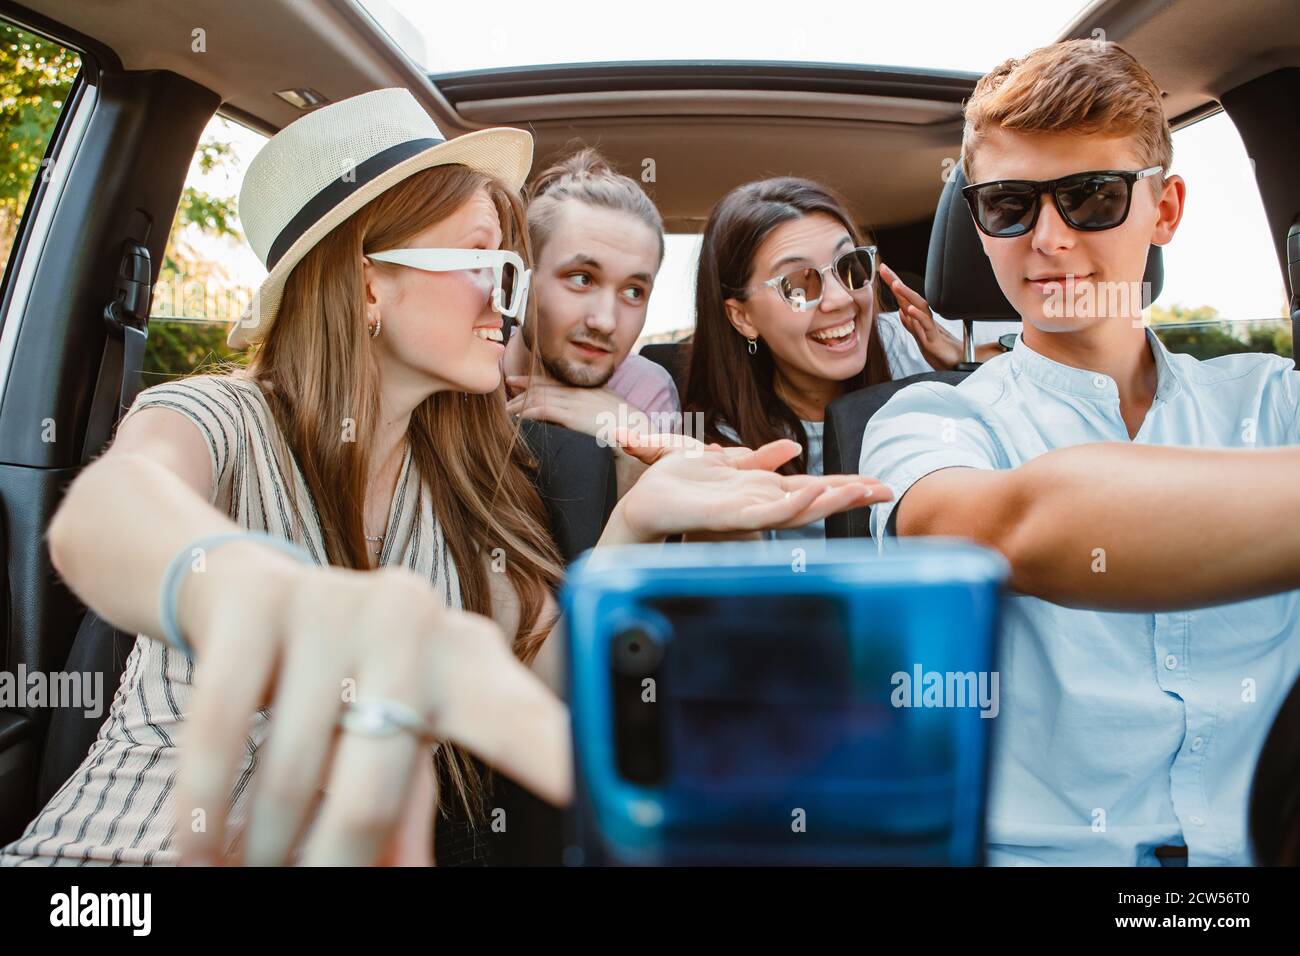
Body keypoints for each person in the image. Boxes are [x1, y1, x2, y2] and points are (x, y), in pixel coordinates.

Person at [2, 89, 885, 867]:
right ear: (366, 282)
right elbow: (108, 513)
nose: (508, 297)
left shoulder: (463, 480)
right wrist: (235, 581)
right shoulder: (226, 418)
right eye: (483, 263)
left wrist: (637, 526)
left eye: (513, 268)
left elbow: (533, 677)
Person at [861, 39, 1300, 865]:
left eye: (1092, 196)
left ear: (1164, 209)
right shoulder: (926, 423)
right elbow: (1025, 530)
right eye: (1009, 206)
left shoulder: (1273, 402)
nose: (1049, 239)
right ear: (980, 225)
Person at [684, 177, 1002, 540]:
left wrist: (963, 371)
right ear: (743, 317)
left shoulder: (918, 340)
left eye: (850, 266)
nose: (839, 299)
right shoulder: (727, 446)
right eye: (798, 285)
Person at [503, 147, 679, 495]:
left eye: (633, 292)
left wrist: (632, 439)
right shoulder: (468, 373)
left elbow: (648, 544)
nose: (605, 322)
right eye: (581, 278)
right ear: (517, 278)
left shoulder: (644, 389)